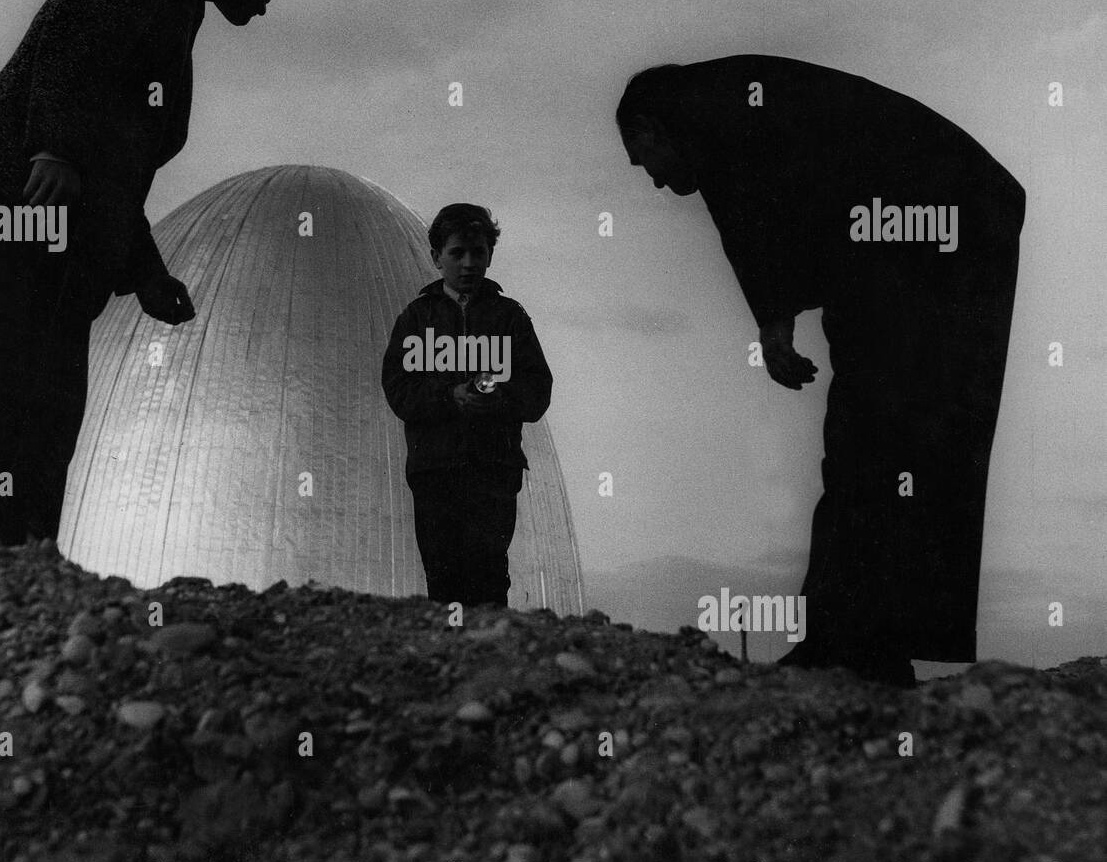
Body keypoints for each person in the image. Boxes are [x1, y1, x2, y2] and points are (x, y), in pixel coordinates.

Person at [617, 55, 1025, 686]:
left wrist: (775, 323)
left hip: (931, 228)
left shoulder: (722, 118)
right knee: (905, 436)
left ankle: (851, 640)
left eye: (644, 160)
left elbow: (753, 214)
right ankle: (866, 640)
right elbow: (778, 210)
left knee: (878, 428)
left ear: (653, 125)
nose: (655, 183)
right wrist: (776, 315)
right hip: (942, 226)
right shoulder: (732, 111)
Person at [0, 0, 309, 543]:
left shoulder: (181, 12)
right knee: (9, 380)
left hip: (64, 214)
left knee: (49, 398)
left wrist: (146, 274)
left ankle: (24, 556)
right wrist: (54, 144)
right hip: (17, 189)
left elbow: (118, 165)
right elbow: (79, 28)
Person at [382, 203, 553, 607]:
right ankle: (452, 659)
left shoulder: (510, 319)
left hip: (492, 471)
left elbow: (537, 391)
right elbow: (398, 389)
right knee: (442, 572)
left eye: (478, 252)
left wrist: (497, 399)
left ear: (490, 254)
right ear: (436, 257)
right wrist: (449, 398)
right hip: (435, 471)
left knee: (489, 573)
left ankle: (484, 657)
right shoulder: (416, 320)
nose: (469, 263)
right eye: (457, 253)